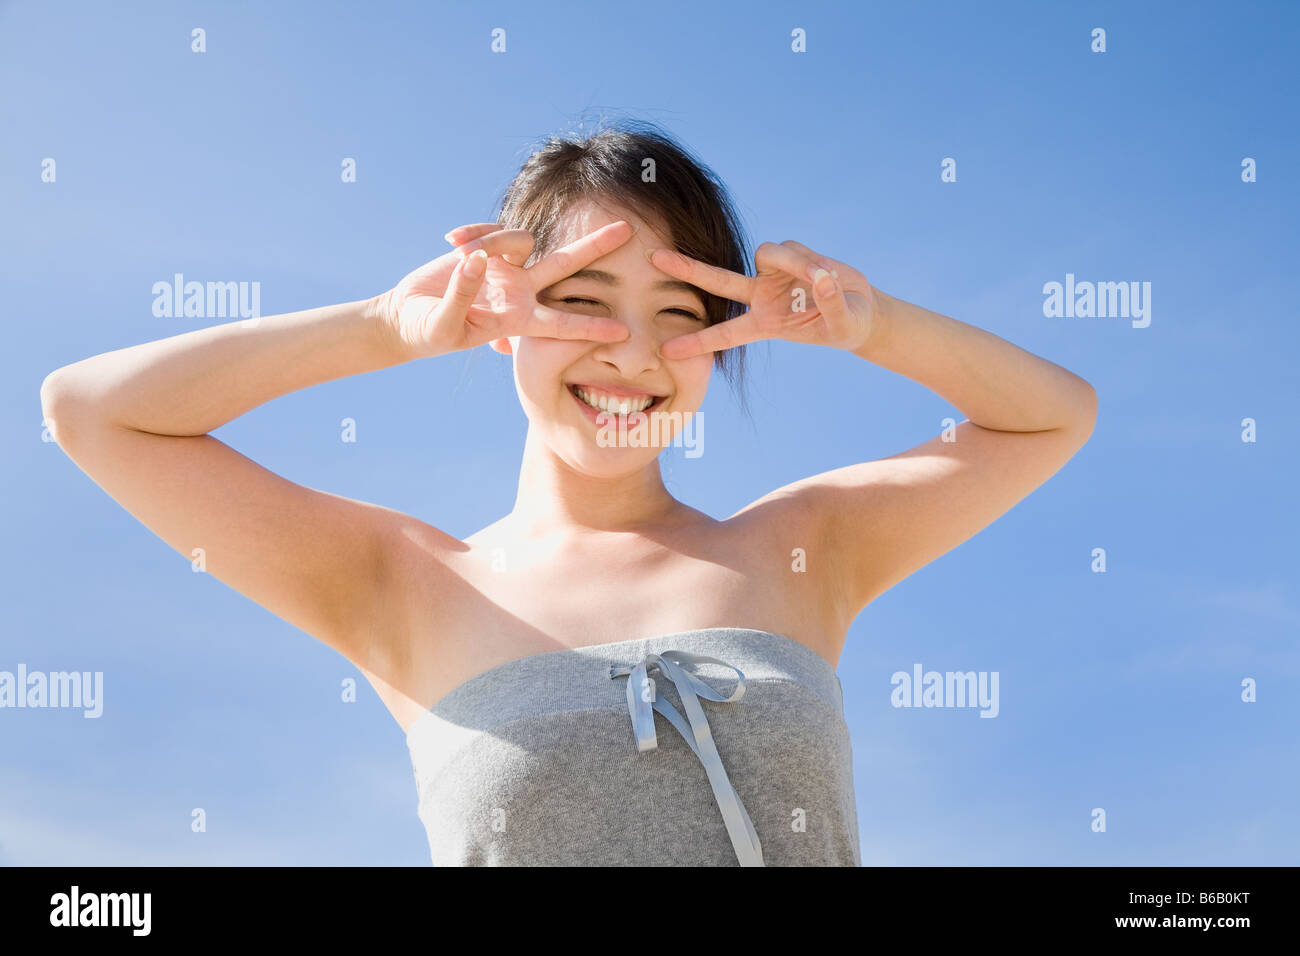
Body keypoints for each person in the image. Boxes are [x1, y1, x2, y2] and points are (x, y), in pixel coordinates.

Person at [39, 119, 1097, 866]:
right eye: (580, 302)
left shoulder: (801, 547)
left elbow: (1052, 413)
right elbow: (93, 411)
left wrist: (872, 325)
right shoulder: (401, 583)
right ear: (498, 317)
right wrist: (379, 326)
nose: (631, 352)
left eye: (679, 311)